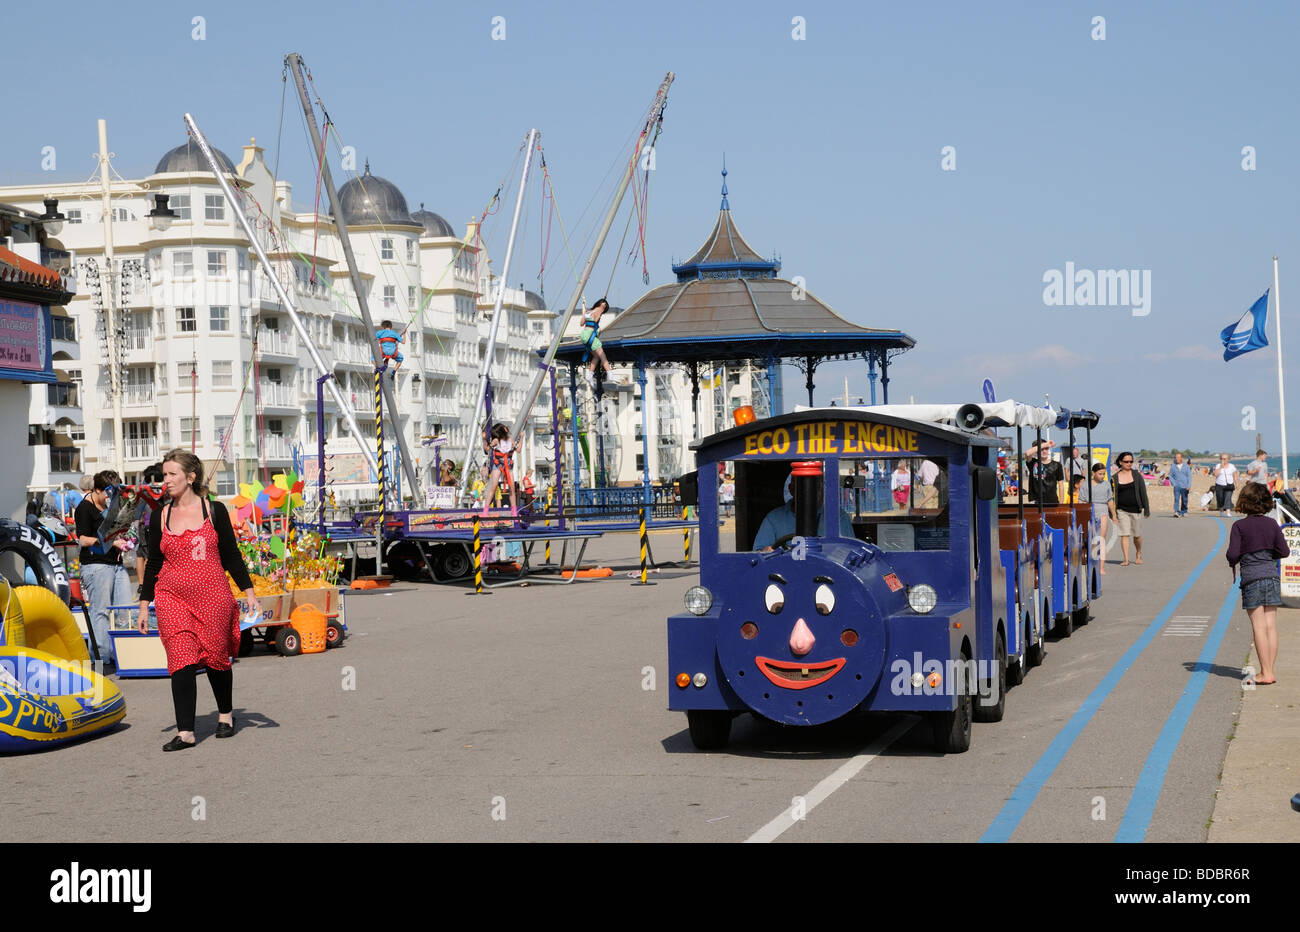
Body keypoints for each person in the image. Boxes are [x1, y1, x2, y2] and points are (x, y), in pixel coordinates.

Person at [136, 450, 257, 750]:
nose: (166, 481)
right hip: (172, 598)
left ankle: (226, 715)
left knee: (216, 659)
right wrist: (143, 604)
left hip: (212, 596)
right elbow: (153, 564)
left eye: (172, 474)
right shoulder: (159, 515)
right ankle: (186, 731)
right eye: (164, 475)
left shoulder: (213, 510)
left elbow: (231, 555)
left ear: (190, 477)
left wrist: (249, 591)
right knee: (181, 660)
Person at [1226, 482, 1289, 686]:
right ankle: (1270, 670)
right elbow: (1284, 551)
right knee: (1271, 626)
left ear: (1244, 501)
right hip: (1271, 576)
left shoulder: (1239, 526)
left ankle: (1265, 673)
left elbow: (1233, 554)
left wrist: (1233, 560)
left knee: (1258, 627)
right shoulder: (1272, 524)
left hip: (1252, 578)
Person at [76, 471, 133, 668]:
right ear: (97, 489)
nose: (112, 497)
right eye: (109, 492)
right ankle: (100, 660)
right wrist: (111, 541)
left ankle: (123, 655)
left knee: (125, 609)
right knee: (100, 612)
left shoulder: (112, 506)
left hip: (116, 564)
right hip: (96, 564)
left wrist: (126, 538)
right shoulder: (85, 508)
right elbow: (82, 539)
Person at [753, 472, 855, 550]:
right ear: (791, 489)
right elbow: (759, 554)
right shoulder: (773, 519)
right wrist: (765, 552)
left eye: (817, 488)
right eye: (803, 489)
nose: (813, 494)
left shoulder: (839, 518)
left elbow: (850, 551)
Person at [1111, 451, 1150, 566]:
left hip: (1136, 509)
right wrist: (1113, 513)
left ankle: (1138, 552)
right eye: (1126, 461)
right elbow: (1113, 496)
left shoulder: (1137, 475)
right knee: (1124, 534)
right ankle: (1126, 559)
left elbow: (1143, 492)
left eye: (1131, 461)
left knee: (1137, 535)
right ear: (1120, 462)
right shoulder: (1114, 478)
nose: (1129, 463)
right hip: (1121, 510)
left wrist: (1146, 508)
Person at [134, 463, 167, 582]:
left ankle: (142, 583)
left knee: (141, 555)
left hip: (142, 525)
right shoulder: (154, 489)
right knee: (150, 555)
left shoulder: (143, 487)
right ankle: (149, 582)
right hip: (151, 525)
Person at [481, 423, 518, 517]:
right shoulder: (496, 440)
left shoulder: (510, 440)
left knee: (512, 488)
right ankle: (485, 510)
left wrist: (521, 439)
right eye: (505, 428)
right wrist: (484, 439)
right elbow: (487, 450)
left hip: (508, 465)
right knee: (493, 487)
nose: (507, 428)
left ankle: (514, 510)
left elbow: (518, 449)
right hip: (498, 465)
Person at [1085, 462, 1113, 575]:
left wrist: (1114, 514)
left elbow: (1110, 500)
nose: (1102, 476)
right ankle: (1091, 563)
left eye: (1104, 474)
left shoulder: (1106, 484)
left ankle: (1101, 566)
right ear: (1093, 473)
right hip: (1089, 510)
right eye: (1100, 474)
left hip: (1103, 511)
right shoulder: (1086, 484)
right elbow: (1081, 500)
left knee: (1101, 539)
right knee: (1091, 539)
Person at [580, 298, 616, 387]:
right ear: (602, 305)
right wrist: (604, 304)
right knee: (602, 355)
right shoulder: (599, 310)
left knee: (596, 356)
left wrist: (584, 309)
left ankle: (590, 375)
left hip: (584, 335)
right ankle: (610, 374)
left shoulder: (588, 312)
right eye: (604, 307)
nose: (603, 310)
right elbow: (597, 317)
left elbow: (581, 323)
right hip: (590, 336)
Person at [1169, 451, 1191, 517]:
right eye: (1176, 457)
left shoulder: (1186, 466)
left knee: (1184, 500)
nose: (1177, 459)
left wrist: (1189, 485)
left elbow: (1189, 476)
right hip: (1177, 486)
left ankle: (1184, 511)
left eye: (1178, 457)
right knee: (1176, 499)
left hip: (1185, 486)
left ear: (1181, 458)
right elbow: (1171, 476)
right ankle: (1176, 511)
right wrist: (1174, 484)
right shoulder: (1173, 466)